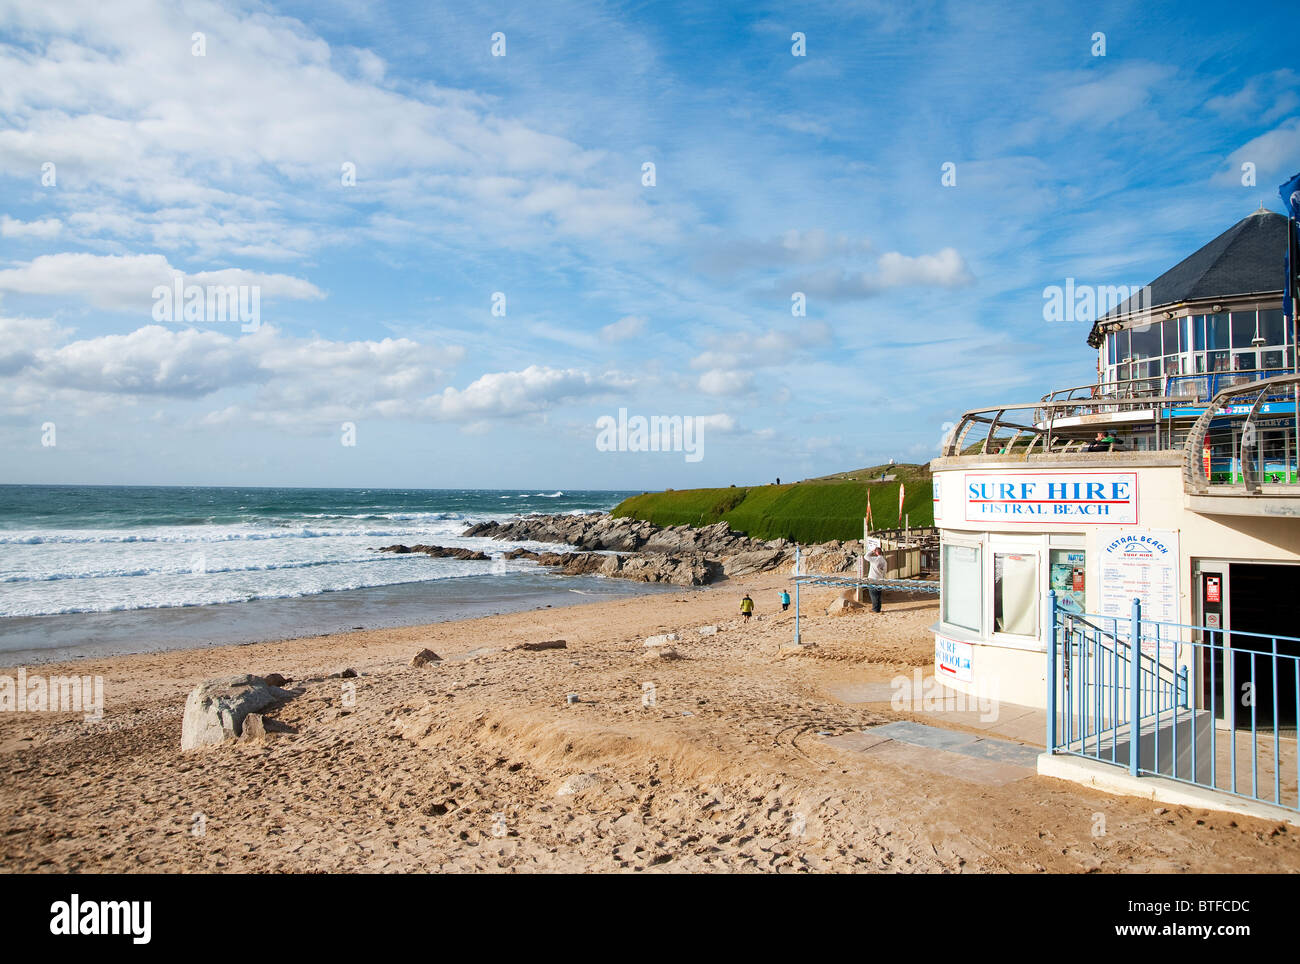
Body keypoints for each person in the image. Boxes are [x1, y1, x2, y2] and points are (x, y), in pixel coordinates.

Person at [866, 545, 887, 613]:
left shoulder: (874, 559)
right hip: (880, 579)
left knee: (873, 595)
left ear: (876, 552)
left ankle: (875, 609)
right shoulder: (884, 561)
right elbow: (884, 572)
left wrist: (871, 551)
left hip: (872, 578)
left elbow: (866, 556)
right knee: (878, 595)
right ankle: (878, 608)